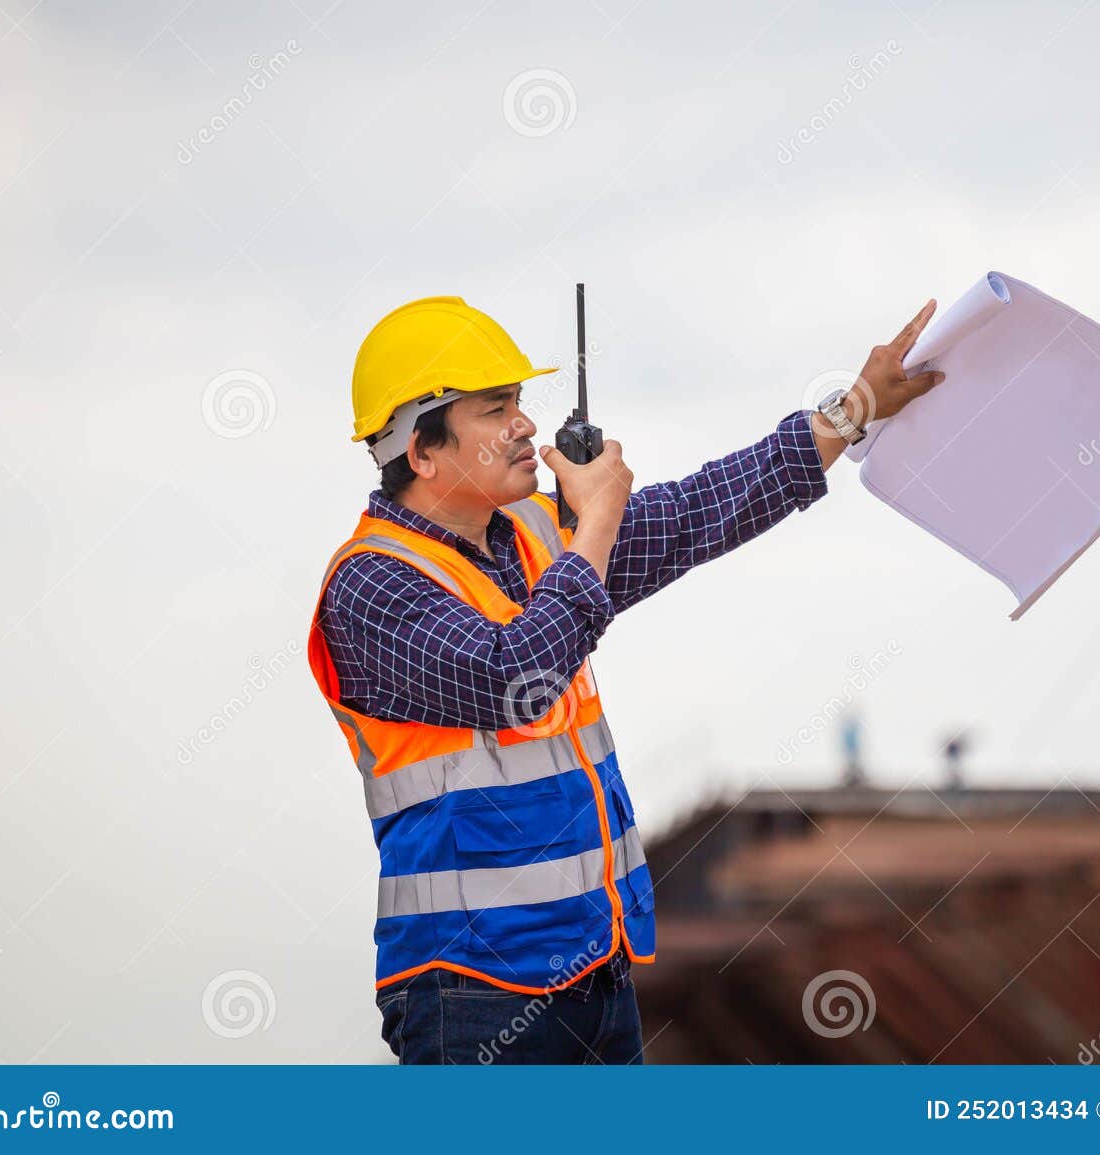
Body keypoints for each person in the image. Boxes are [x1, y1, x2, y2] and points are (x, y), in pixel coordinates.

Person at [306, 293, 943, 1064]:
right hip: (472, 991)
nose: (527, 425)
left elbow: (698, 511)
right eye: (496, 408)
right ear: (422, 450)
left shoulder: (539, 536)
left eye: (520, 401)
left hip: (595, 971)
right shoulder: (374, 587)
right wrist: (598, 518)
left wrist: (853, 411)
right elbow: (519, 676)